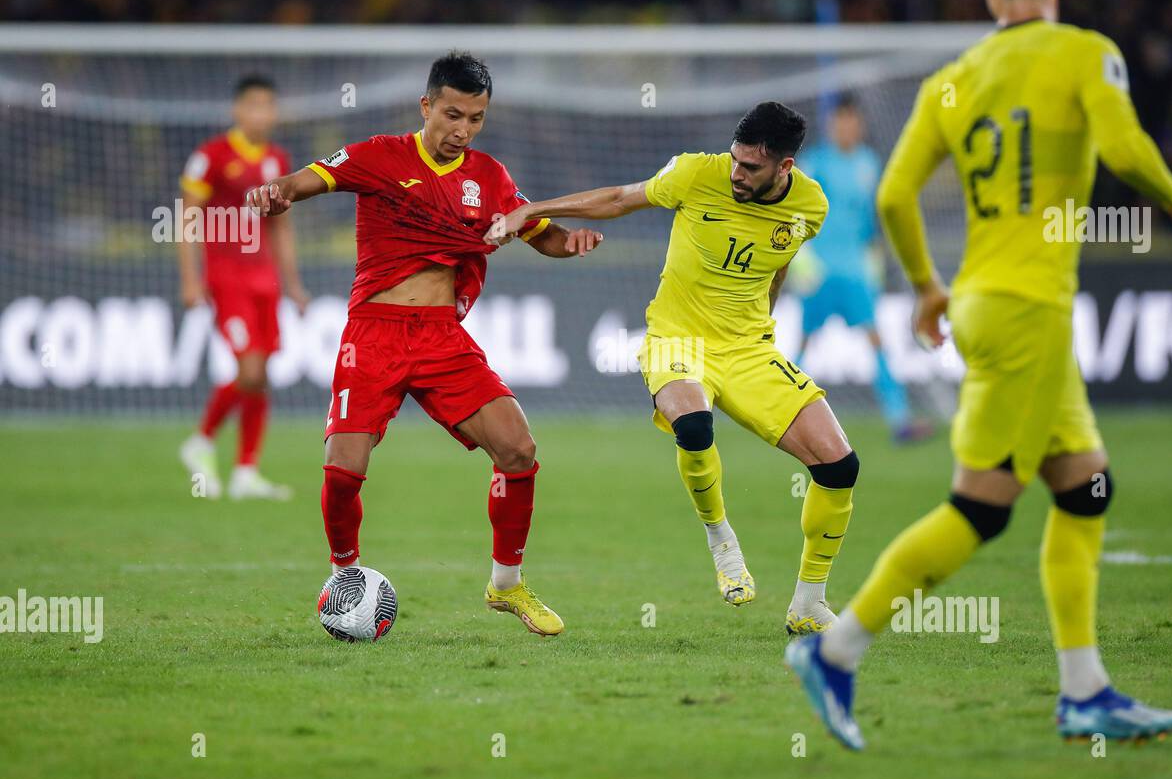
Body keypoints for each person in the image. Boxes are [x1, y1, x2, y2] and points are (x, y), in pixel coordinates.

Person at [785, 0, 1172, 749]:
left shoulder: (955, 77)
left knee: (1085, 486)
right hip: (1028, 312)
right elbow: (1123, 144)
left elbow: (898, 195)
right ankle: (836, 650)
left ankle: (1084, 689)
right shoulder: (1088, 54)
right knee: (980, 509)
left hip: (984, 300)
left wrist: (927, 290)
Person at [244, 52, 603, 637]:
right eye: (452, 114)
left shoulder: (489, 176)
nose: (462, 130)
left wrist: (574, 241)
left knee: (517, 449)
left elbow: (543, 236)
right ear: (426, 106)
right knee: (343, 469)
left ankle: (506, 585)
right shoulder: (379, 155)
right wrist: (277, 190)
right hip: (374, 333)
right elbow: (309, 178)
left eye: (476, 119)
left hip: (441, 339)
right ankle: (345, 575)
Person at [492, 102, 859, 636]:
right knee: (693, 425)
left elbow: (776, 268)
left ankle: (808, 602)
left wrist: (765, 330)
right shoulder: (695, 172)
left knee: (840, 466)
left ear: (785, 168)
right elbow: (620, 198)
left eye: (751, 168)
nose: (736, 172)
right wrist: (533, 210)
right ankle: (721, 538)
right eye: (735, 160)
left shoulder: (811, 205)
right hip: (675, 336)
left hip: (749, 348)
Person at [178, 75, 308, 501]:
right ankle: (201, 442)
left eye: (268, 106)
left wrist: (292, 284)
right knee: (249, 370)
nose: (261, 114)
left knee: (262, 375)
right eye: (253, 106)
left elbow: (282, 229)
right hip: (226, 280)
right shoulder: (210, 156)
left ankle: (246, 471)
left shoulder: (276, 160)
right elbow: (187, 218)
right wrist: (191, 278)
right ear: (237, 110)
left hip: (264, 281)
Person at [797, 96, 932, 443]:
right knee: (803, 344)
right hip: (820, 272)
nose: (846, 127)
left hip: (856, 271)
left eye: (852, 121)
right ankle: (778, 414)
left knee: (877, 342)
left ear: (859, 124)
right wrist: (801, 259)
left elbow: (871, 220)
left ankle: (900, 420)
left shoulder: (869, 164)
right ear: (831, 125)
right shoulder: (814, 163)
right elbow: (795, 214)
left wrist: (873, 260)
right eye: (840, 121)